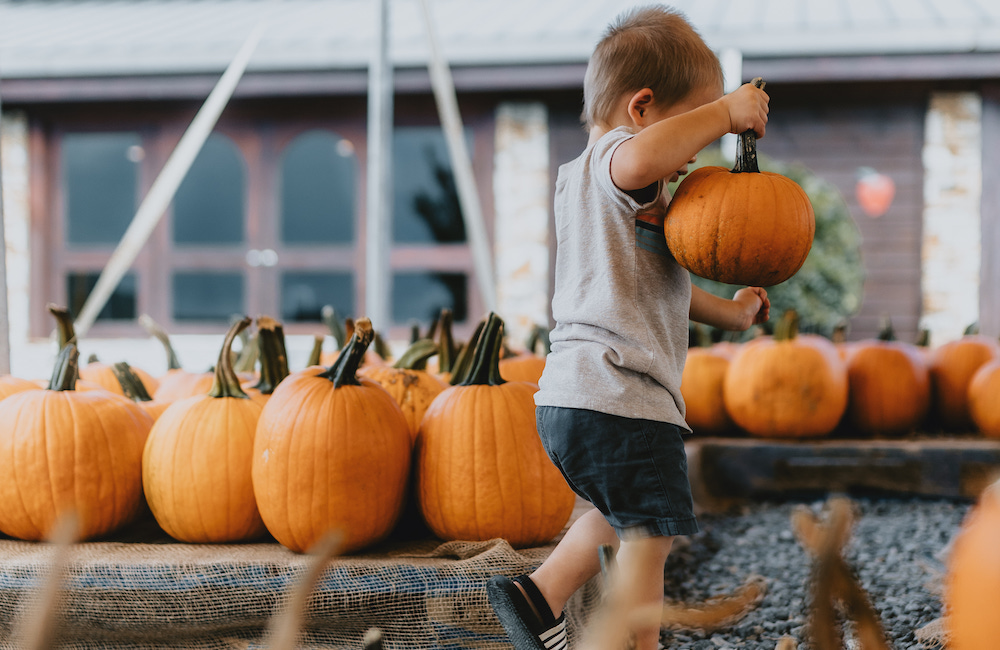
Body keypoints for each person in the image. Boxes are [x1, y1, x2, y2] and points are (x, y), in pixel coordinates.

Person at [486, 5, 771, 650]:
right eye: (688, 139)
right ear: (639, 109)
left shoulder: (604, 190)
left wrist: (733, 312)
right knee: (651, 537)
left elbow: (662, 285)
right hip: (623, 399)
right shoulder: (615, 161)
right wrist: (726, 114)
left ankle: (536, 599)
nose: (686, 161)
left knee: (620, 518)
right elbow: (642, 158)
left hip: (574, 399)